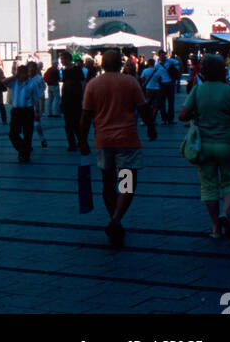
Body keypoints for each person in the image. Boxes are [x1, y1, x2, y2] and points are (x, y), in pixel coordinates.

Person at [79, 47, 157, 248]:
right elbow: (143, 108)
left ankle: (115, 219)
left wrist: (82, 141)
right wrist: (150, 128)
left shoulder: (93, 85)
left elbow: (86, 116)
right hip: (127, 141)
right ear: (120, 64)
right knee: (127, 184)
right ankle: (116, 220)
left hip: (103, 142)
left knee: (107, 183)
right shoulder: (130, 82)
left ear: (102, 64)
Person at [179, 53, 230, 239]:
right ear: (222, 71)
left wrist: (197, 113)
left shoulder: (197, 91)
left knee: (208, 186)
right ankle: (225, 214)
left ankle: (215, 228)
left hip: (204, 146)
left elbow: (182, 116)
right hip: (228, 145)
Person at [8, 65, 41, 163]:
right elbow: (3, 82)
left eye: (25, 73)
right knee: (13, 133)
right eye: (22, 73)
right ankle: (24, 149)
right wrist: (14, 76)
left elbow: (36, 98)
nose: (24, 75)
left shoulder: (32, 83)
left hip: (28, 111)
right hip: (16, 111)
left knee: (27, 133)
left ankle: (24, 155)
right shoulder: (14, 82)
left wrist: (37, 112)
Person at [60, 51, 85, 151]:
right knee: (67, 123)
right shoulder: (64, 71)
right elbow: (64, 85)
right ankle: (72, 144)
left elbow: (83, 83)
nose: (62, 61)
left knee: (76, 123)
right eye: (61, 59)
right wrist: (62, 99)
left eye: (63, 59)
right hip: (66, 100)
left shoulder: (77, 69)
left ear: (69, 59)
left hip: (76, 99)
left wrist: (83, 97)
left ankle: (80, 141)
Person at [143, 54, 173, 124]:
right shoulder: (157, 70)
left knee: (148, 103)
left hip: (148, 88)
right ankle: (153, 118)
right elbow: (159, 79)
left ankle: (146, 118)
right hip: (157, 88)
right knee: (156, 105)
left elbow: (142, 79)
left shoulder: (145, 70)